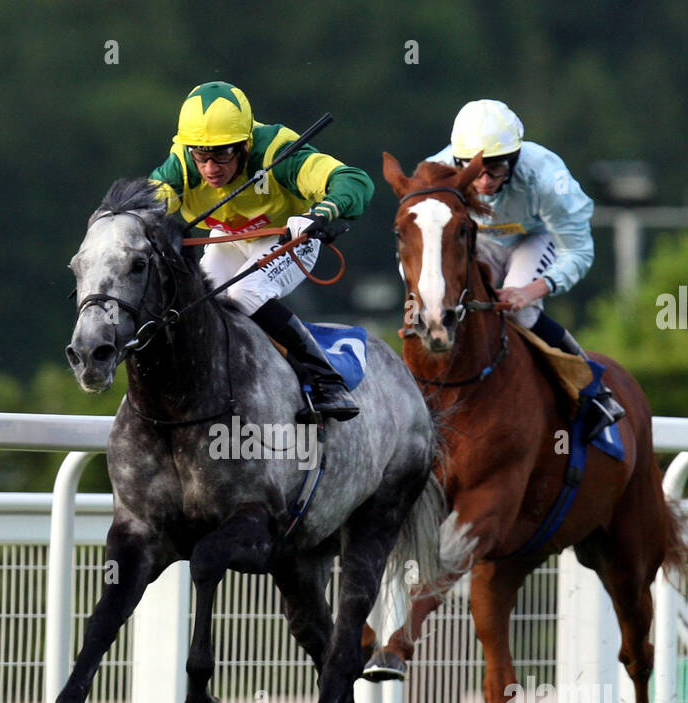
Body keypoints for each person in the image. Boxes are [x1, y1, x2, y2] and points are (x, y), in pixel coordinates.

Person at [150, 81, 374, 420]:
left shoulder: (276, 152)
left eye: (223, 154)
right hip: (227, 238)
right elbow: (147, 202)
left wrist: (321, 212)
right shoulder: (181, 163)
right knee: (201, 301)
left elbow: (354, 180)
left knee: (243, 293)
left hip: (292, 238)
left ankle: (328, 381)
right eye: (202, 155)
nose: (211, 168)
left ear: (246, 144)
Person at [427, 99, 625, 438]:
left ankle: (596, 393)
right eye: (475, 169)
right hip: (479, 241)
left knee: (519, 313)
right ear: (456, 160)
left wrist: (529, 292)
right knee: (448, 305)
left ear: (515, 159)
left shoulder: (548, 179)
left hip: (532, 239)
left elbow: (577, 251)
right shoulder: (436, 173)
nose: (485, 181)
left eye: (496, 169)